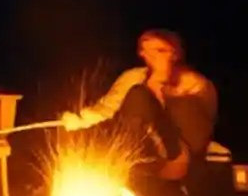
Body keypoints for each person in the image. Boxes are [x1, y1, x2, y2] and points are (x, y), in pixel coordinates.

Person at [60, 29, 219, 184]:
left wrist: (160, 83)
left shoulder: (196, 84)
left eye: (160, 50)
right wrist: (80, 120)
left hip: (185, 152)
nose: (153, 57)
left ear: (175, 54)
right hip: (149, 150)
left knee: (159, 100)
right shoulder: (133, 77)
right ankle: (124, 164)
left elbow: (202, 125)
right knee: (136, 96)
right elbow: (108, 108)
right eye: (146, 51)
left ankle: (176, 162)